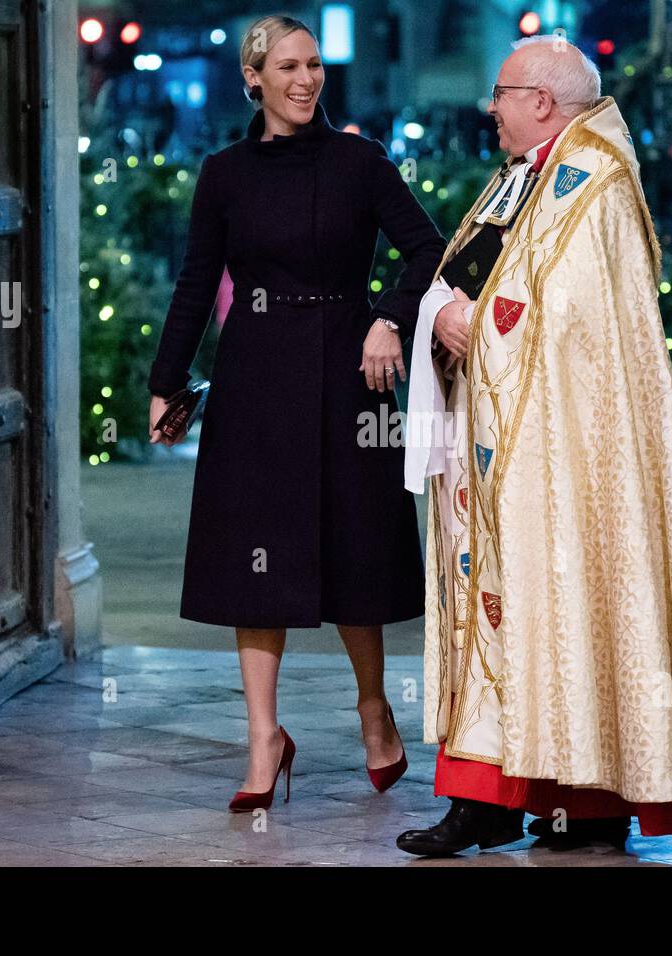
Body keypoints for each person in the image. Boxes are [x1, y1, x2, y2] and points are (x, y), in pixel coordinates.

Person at [397, 35, 672, 857]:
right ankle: (484, 797)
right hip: (497, 444)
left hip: (563, 455)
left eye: (502, 93)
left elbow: (572, 323)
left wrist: (464, 322)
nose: (492, 107)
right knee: (496, 607)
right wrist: (436, 314)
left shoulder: (594, 184)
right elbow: (479, 272)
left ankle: (583, 799)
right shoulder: (523, 174)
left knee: (571, 597)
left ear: (544, 102)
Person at [147, 15, 446, 811]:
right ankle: (262, 742)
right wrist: (165, 380)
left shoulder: (361, 162)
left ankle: (374, 708)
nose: (306, 80)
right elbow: (193, 282)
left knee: (353, 545)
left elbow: (429, 249)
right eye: (287, 67)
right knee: (257, 556)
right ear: (254, 78)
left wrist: (389, 316)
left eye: (314, 65)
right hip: (255, 380)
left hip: (353, 373)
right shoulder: (224, 174)